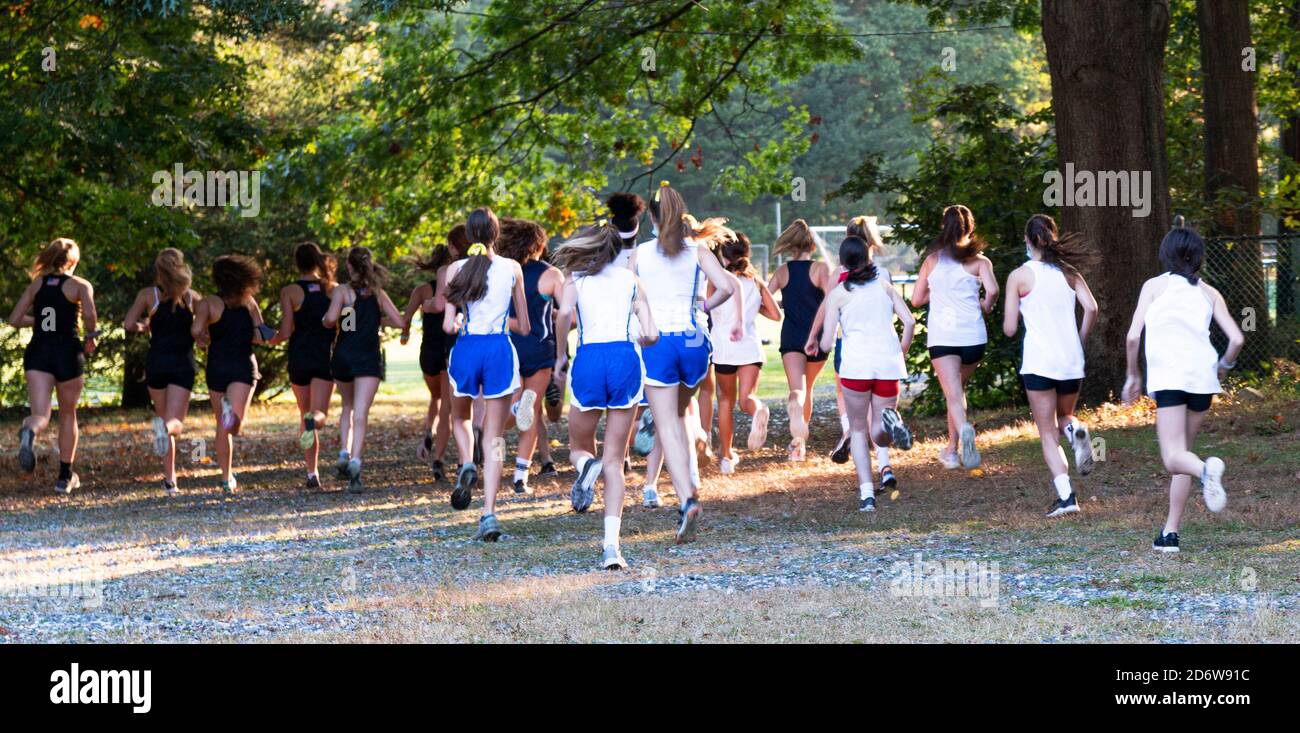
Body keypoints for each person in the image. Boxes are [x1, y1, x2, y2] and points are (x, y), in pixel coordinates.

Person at [1122, 217, 1243, 553]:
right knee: (1182, 454)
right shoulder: (1209, 292)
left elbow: (1133, 336)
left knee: (1173, 459)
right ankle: (1170, 533)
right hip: (1202, 378)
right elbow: (1236, 338)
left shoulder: (1154, 286)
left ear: (1166, 256)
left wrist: (1133, 376)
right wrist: (1223, 367)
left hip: (1171, 376)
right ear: (1198, 257)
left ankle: (1207, 470)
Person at [629, 181, 738, 543]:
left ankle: (687, 499)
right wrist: (702, 307)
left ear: (653, 217)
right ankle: (694, 454)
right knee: (681, 413)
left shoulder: (641, 254)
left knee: (669, 427)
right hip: (694, 343)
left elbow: (630, 297)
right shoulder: (697, 250)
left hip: (657, 341)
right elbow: (728, 287)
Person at [553, 220, 659, 568]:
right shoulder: (632, 280)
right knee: (616, 463)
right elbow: (652, 332)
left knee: (579, 448)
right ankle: (612, 548)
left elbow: (565, 315)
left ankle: (587, 466)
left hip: (589, 358)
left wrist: (560, 358)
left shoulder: (576, 281)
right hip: (624, 359)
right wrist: (645, 337)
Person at [1002, 215, 1099, 518]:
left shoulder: (1019, 276)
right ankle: (1076, 431)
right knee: (1065, 416)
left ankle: (1067, 497)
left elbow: (1008, 328)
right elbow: (1092, 308)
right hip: (1071, 359)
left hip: (1040, 362)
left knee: (1046, 434)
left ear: (1028, 241)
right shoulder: (1069, 272)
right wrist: (1079, 337)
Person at [443, 207, 530, 542]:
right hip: (499, 350)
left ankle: (466, 461)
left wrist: (464, 321)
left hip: (467, 348)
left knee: (460, 417)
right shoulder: (512, 268)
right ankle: (489, 514)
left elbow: (447, 324)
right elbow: (524, 325)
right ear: (497, 234)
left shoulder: (455, 270)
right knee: (494, 437)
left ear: (468, 235)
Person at [817, 235, 915, 512]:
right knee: (878, 431)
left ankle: (867, 495)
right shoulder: (884, 286)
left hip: (855, 366)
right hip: (887, 362)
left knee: (858, 429)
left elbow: (826, 343)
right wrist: (901, 352)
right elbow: (909, 321)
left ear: (843, 262)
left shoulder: (838, 294)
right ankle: (889, 425)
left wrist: (818, 347)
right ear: (868, 259)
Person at [807, 216, 900, 489]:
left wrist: (813, 335)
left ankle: (849, 431)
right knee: (879, 410)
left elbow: (826, 307)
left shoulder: (839, 274)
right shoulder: (883, 275)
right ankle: (885, 465)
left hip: (849, 348)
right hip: (881, 349)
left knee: (848, 399)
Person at [911, 204, 998, 470]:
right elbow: (993, 290)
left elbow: (916, 300)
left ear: (943, 227)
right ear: (970, 228)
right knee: (957, 392)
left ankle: (964, 429)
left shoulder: (932, 260)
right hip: (973, 338)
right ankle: (951, 450)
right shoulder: (980, 262)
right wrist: (985, 305)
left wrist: (935, 293)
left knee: (953, 394)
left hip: (943, 338)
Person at [7, 238, 98, 494]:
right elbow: (90, 316)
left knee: (41, 415)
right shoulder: (80, 286)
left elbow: (14, 319)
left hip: (38, 352)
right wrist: (91, 337)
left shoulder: (38, 284)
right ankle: (64, 477)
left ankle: (30, 429)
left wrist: (36, 323)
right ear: (74, 261)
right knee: (68, 414)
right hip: (67, 351)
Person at [323, 246, 406, 493]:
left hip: (344, 355)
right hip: (368, 358)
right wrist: (378, 320)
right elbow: (401, 322)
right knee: (361, 413)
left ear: (349, 266)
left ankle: (343, 452)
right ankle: (356, 461)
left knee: (346, 406)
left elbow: (331, 320)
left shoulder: (343, 292)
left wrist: (327, 320)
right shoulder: (378, 293)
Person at [124, 248, 200, 495]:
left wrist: (145, 327)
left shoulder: (148, 295)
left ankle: (170, 480)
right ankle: (165, 440)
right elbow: (203, 328)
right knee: (175, 423)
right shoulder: (192, 298)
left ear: (159, 269)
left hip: (156, 362)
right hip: (182, 363)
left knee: (165, 416)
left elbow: (128, 324)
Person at [191, 254, 268, 495]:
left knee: (222, 426)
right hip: (242, 365)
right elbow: (261, 333)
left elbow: (195, 330)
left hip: (217, 366)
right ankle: (230, 414)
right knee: (234, 426)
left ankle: (226, 478)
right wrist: (272, 334)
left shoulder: (207, 304)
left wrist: (202, 338)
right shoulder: (249, 302)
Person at [499, 217, 563, 495]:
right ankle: (520, 476)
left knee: (512, 409)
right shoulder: (551, 274)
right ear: (538, 244)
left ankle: (513, 410)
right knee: (533, 410)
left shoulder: (502, 271)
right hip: (539, 345)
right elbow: (567, 310)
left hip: (509, 345)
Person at [401, 226, 467, 482]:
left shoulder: (422, 290)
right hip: (454, 343)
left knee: (437, 398)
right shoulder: (470, 273)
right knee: (450, 406)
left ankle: (429, 437)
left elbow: (406, 317)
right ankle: (444, 458)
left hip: (430, 350)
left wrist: (405, 332)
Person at [709, 232, 778, 473]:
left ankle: (727, 459)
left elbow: (707, 306)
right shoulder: (755, 280)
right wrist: (753, 307)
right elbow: (775, 314)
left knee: (725, 401)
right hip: (750, 346)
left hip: (725, 347)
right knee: (746, 398)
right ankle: (758, 410)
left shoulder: (716, 279)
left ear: (722, 254)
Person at [270, 242, 336, 490]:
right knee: (318, 414)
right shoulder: (333, 289)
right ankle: (314, 419)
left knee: (304, 413)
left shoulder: (289, 292)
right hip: (324, 357)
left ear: (297, 263)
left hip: (299, 357)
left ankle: (311, 473)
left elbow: (286, 331)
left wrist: (268, 337)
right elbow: (346, 324)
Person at [768, 219, 831, 461]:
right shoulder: (820, 269)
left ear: (790, 245)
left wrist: (786, 304)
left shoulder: (783, 271)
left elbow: (766, 298)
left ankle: (796, 434)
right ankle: (799, 444)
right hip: (816, 336)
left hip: (792, 335)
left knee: (797, 388)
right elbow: (829, 300)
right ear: (811, 244)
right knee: (810, 387)